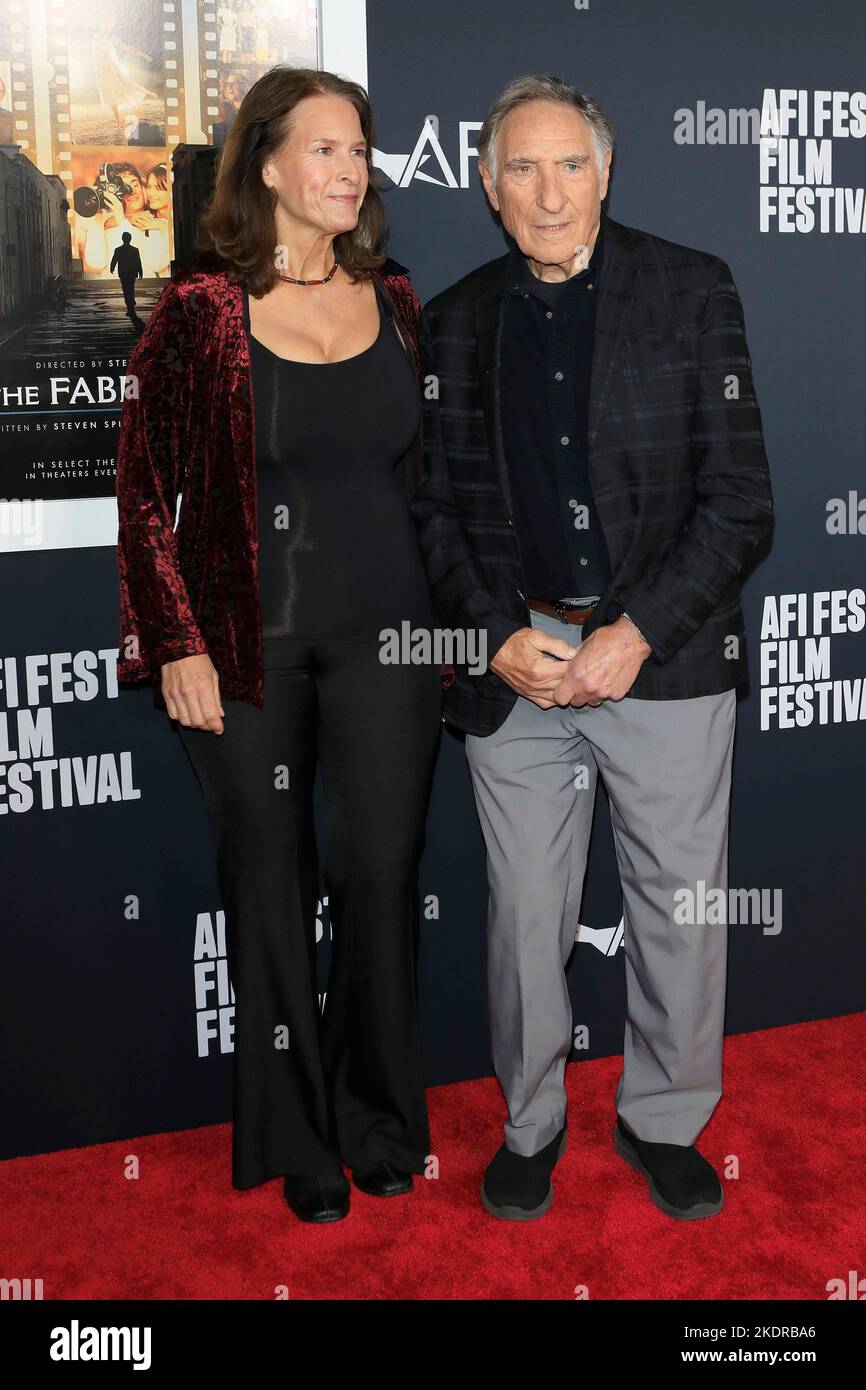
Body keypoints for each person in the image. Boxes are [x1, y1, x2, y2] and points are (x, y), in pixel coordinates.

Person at [412, 73, 773, 1223]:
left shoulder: (691, 289)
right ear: (486, 185)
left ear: (605, 172)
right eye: (520, 168)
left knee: (678, 909)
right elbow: (432, 510)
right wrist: (495, 634)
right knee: (524, 915)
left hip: (661, 658)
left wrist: (635, 632)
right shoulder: (453, 320)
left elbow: (739, 502)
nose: (547, 191)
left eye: (569, 164)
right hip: (515, 666)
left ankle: (663, 1118)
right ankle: (529, 1123)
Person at [115, 67, 443, 1224]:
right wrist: (174, 640)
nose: (349, 170)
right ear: (265, 164)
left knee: (379, 876)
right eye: (323, 149)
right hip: (244, 646)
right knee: (269, 882)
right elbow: (141, 487)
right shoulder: (201, 309)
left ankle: (377, 1119)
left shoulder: (393, 296)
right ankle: (298, 1135)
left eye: (359, 150)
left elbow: (421, 480)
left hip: (390, 642)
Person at [109, 230, 143, 319]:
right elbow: (138, 262)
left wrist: (112, 268)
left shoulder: (118, 250)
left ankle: (130, 307)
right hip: (132, 273)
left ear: (122, 239)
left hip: (123, 273)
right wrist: (140, 272)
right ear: (130, 239)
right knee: (131, 288)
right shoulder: (135, 250)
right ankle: (131, 303)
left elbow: (114, 260)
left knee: (126, 290)